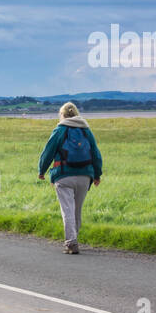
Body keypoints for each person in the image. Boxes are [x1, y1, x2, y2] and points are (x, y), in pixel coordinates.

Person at [38, 102, 102, 254]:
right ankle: (74, 238)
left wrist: (42, 170)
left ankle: (71, 242)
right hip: (85, 175)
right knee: (77, 210)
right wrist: (97, 174)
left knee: (67, 210)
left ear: (62, 115)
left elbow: (49, 151)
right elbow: (96, 153)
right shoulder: (86, 130)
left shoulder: (60, 129)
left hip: (64, 175)